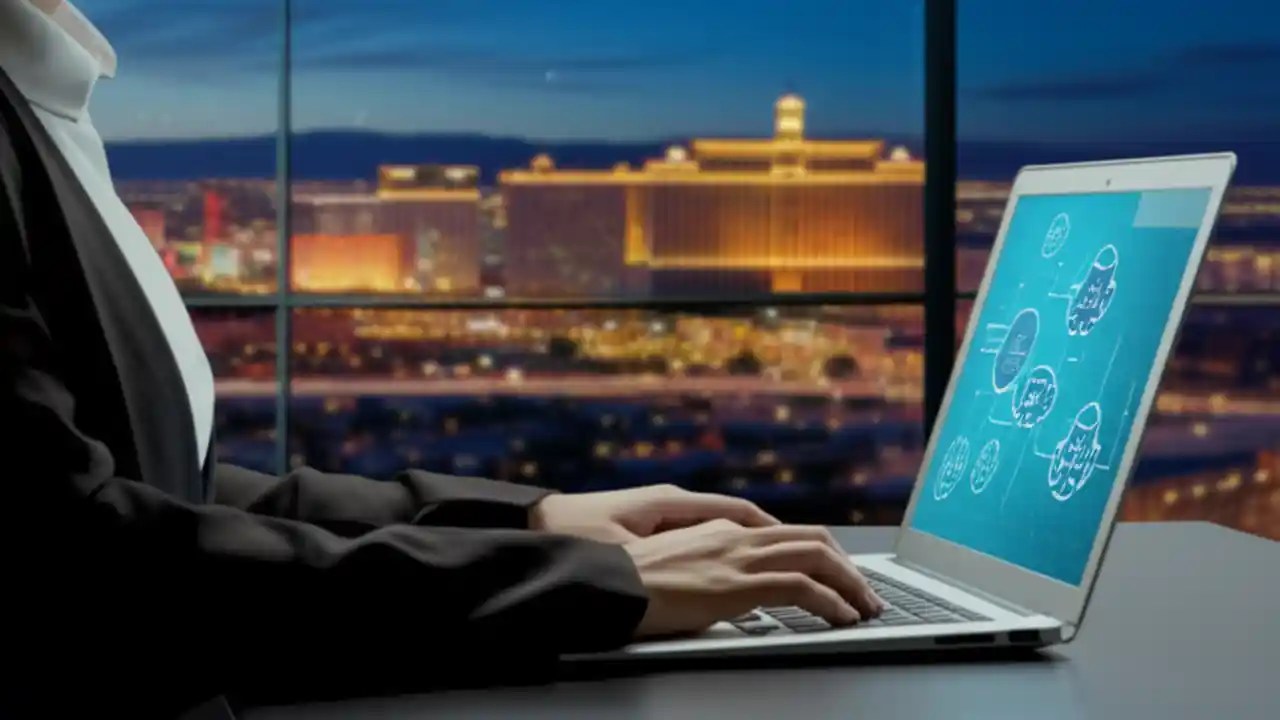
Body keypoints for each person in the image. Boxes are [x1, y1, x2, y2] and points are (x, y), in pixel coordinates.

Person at [0, 0, 881, 712]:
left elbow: (155, 494)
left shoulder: (37, 99)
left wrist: (532, 521)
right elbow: (79, 569)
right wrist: (583, 580)